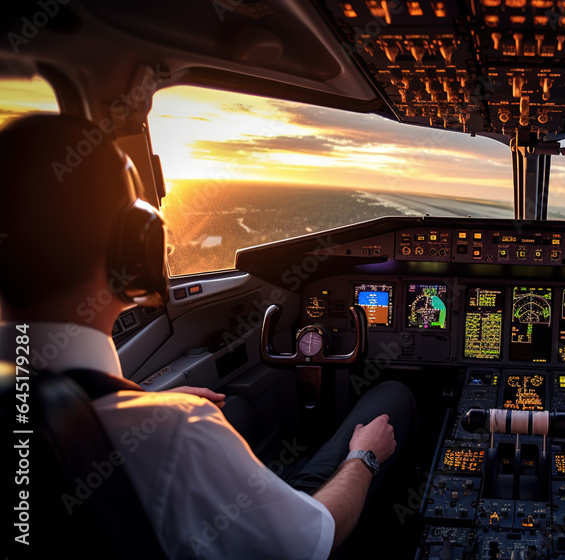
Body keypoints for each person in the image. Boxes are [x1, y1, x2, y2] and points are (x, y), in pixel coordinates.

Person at [0, 113, 417, 559]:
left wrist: (142, 401)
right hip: (302, 535)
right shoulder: (175, 432)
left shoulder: (103, 415)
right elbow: (317, 541)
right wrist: (365, 456)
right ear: (138, 251)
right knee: (393, 396)